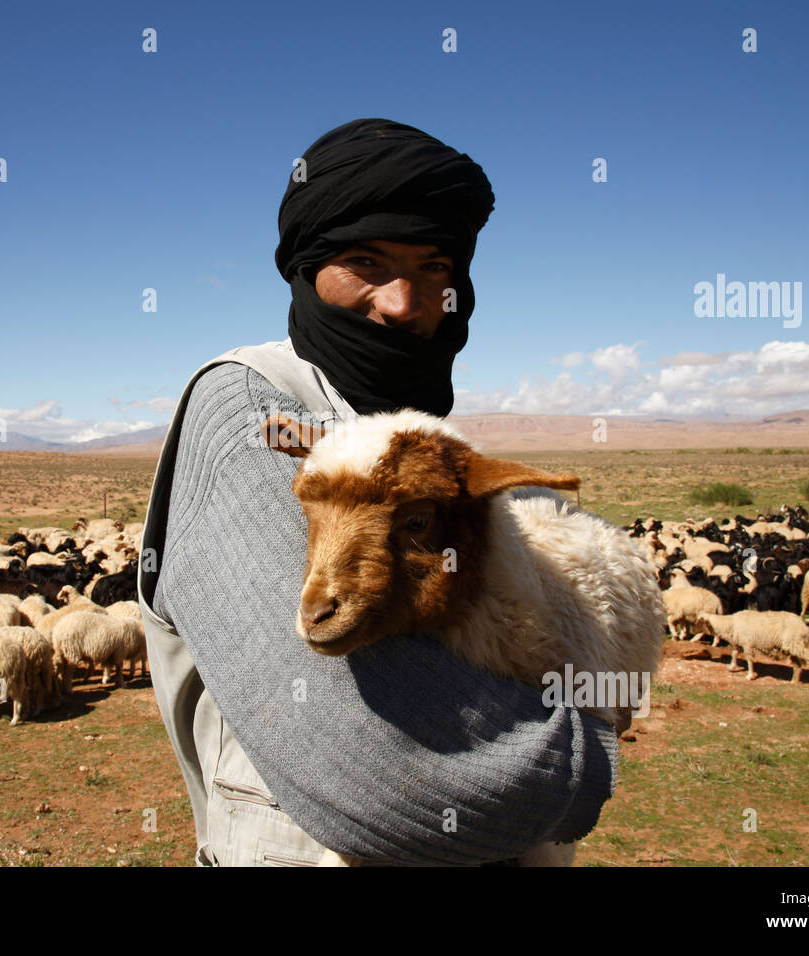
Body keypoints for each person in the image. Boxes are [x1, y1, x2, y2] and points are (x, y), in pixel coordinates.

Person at [137, 118, 619, 866]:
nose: (403, 302)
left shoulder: (413, 434)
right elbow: (394, 775)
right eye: (366, 261)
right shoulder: (252, 411)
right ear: (306, 266)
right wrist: (584, 753)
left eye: (434, 267)